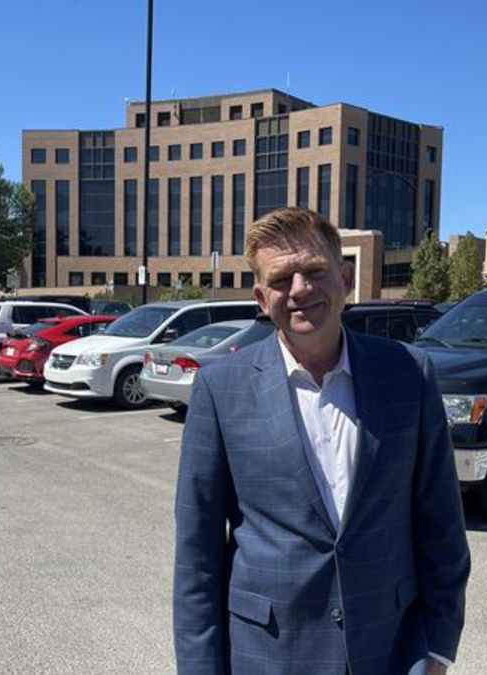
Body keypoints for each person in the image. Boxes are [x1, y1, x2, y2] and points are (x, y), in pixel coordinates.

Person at [173, 207, 470, 674]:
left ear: (345, 277)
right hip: (268, 656)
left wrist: (437, 650)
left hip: (390, 651)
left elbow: (442, 526)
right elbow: (197, 556)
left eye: (314, 271)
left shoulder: (409, 375)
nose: (299, 290)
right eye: (281, 279)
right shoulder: (219, 389)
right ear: (260, 297)